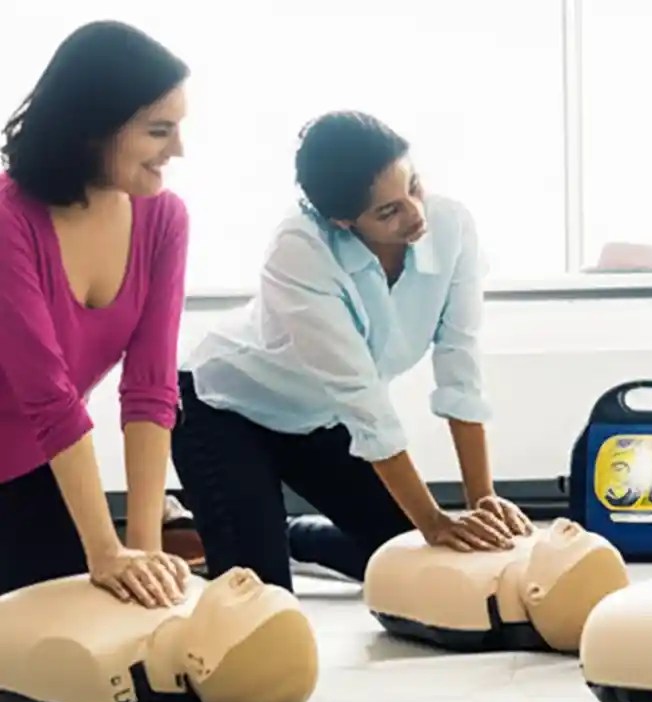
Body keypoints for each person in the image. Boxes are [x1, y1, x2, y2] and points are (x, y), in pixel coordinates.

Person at [171, 111, 533, 593]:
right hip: (223, 410)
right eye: (389, 212)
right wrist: (433, 519)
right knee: (262, 597)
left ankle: (291, 537)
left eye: (415, 187)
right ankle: (231, 536)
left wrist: (482, 498)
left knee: (412, 554)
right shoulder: (299, 249)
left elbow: (459, 362)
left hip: (318, 418)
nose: (415, 214)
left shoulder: (452, 227)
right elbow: (361, 398)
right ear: (342, 220)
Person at [0, 21, 191, 607]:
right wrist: (103, 550)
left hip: (31, 471)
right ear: (91, 130)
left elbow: (150, 390)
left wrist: (141, 544)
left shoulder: (164, 220)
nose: (178, 149)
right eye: (159, 130)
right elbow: (48, 393)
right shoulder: (9, 219)